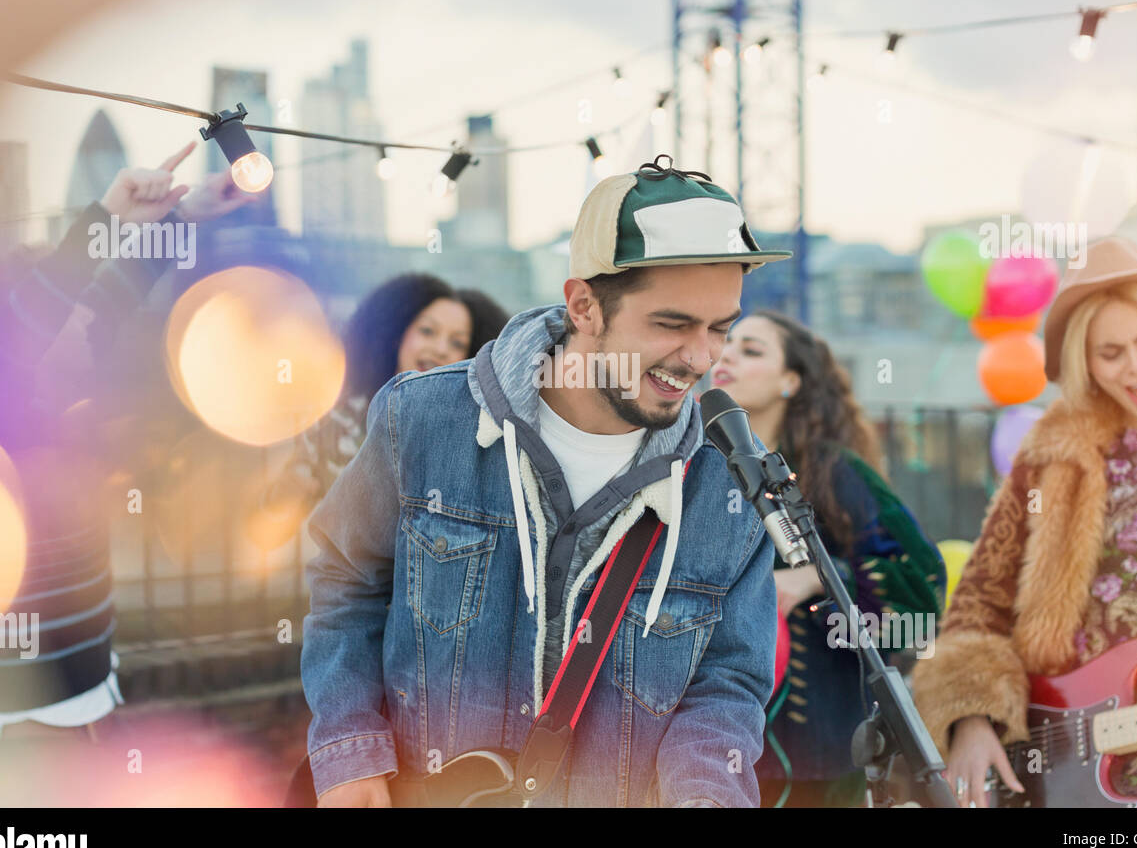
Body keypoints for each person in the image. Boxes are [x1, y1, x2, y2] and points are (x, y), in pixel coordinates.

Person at [300, 156, 791, 807]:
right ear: (584, 304)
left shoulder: (733, 481)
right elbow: (346, 580)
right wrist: (350, 754)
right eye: (671, 324)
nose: (701, 358)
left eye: (719, 330)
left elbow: (727, 682)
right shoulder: (421, 420)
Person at [0, 143, 256, 756]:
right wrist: (107, 216)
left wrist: (184, 217)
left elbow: (115, 293)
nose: (87, 332)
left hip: (90, 699)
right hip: (14, 729)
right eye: (67, 319)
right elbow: (29, 320)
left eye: (90, 321)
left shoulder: (69, 390)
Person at [912, 236, 1137, 808]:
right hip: (1070, 772)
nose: (1136, 366)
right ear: (1085, 364)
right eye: (1110, 352)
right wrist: (969, 716)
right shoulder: (1049, 459)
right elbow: (979, 603)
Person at [708, 311, 944, 807]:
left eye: (751, 350)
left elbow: (920, 580)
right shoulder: (688, 466)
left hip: (816, 744)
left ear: (791, 381)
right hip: (707, 736)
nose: (727, 355)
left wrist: (818, 579)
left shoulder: (835, 471)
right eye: (725, 343)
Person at [258, 275, 508, 525]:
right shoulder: (340, 422)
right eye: (427, 331)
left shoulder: (480, 433)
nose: (441, 348)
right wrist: (283, 498)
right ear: (396, 334)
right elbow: (270, 526)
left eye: (457, 342)